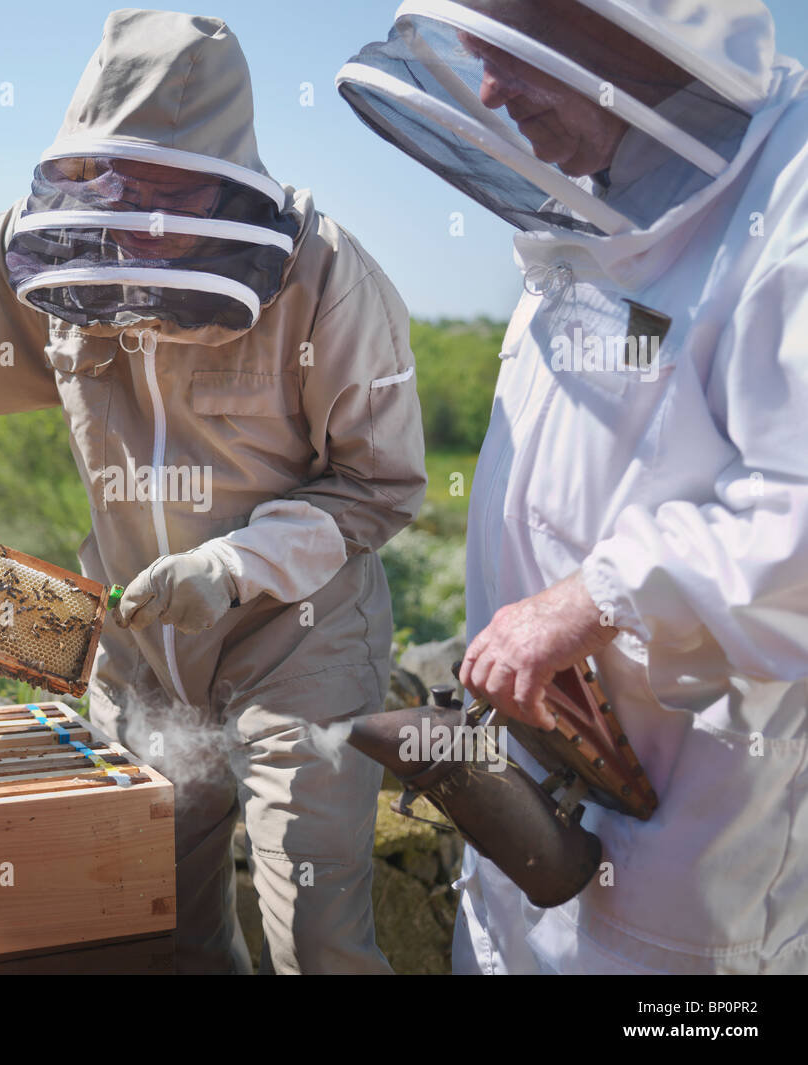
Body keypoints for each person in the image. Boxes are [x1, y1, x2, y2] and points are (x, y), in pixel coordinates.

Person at [0, 9, 426, 974]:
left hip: (298, 642)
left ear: (221, 175)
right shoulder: (44, 248)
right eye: (115, 182)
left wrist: (234, 565)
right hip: (138, 640)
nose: (136, 216)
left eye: (165, 193)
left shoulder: (329, 279)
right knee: (156, 916)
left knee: (316, 932)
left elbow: (377, 488)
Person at [337, 0, 808, 973]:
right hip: (545, 807)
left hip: (703, 832)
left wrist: (597, 597)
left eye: (508, 54)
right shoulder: (604, 195)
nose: (489, 92)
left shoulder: (789, 202)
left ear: (626, 26)